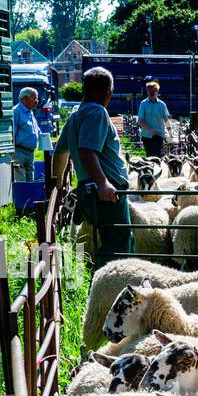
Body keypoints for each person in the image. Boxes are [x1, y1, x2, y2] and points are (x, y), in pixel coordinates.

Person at [58, 67, 133, 268]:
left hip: (89, 189)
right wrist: (103, 183)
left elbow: (60, 152)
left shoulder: (76, 114)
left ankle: (113, 287)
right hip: (105, 193)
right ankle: (110, 292)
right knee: (117, 246)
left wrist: (56, 186)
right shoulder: (96, 111)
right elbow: (86, 151)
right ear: (108, 91)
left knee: (121, 240)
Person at [12, 88, 41, 183]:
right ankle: (22, 198)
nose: (37, 102)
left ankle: (29, 198)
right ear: (25, 99)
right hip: (19, 152)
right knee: (21, 182)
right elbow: (12, 133)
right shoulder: (16, 112)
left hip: (30, 153)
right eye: (35, 99)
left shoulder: (30, 111)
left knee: (30, 181)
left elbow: (36, 130)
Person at [136, 80, 170, 158]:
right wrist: (150, 130)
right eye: (149, 91)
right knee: (149, 156)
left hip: (158, 134)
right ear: (147, 92)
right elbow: (140, 120)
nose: (151, 93)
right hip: (146, 135)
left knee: (156, 156)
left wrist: (170, 135)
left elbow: (167, 120)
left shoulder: (162, 105)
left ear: (157, 91)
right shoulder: (143, 104)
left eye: (152, 91)